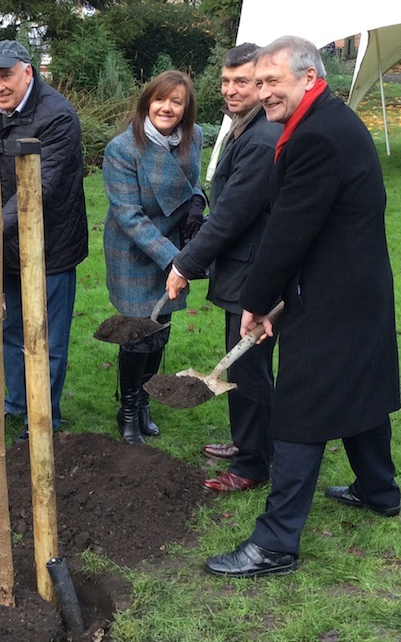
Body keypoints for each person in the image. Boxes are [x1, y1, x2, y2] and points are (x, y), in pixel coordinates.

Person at [205, 36, 400, 579]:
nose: (263, 92)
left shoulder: (316, 137)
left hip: (333, 297)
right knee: (360, 385)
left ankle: (275, 543)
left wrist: (256, 302)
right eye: (258, 81)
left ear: (309, 78)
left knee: (298, 413)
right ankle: (380, 491)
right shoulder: (330, 120)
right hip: (356, 288)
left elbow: (289, 234)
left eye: (274, 82)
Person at [166, 44, 281, 490]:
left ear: (262, 84)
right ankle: (247, 441)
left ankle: (253, 464)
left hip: (254, 269)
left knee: (249, 367)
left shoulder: (262, 138)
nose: (231, 90)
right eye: (226, 82)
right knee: (241, 364)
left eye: (243, 82)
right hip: (242, 265)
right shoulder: (245, 127)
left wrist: (184, 264)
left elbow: (233, 214)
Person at [0, 40, 88, 442]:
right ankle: (16, 405)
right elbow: (3, 167)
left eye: (5, 76)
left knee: (47, 338)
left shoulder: (57, 117)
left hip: (49, 244)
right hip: (9, 242)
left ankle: (44, 417)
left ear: (28, 72)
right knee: (11, 329)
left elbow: (37, 187)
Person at [103, 70, 205, 445]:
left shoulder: (193, 141)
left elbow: (194, 181)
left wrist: (197, 200)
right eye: (161, 99)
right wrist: (175, 259)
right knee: (137, 333)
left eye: (177, 102)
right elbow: (128, 214)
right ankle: (127, 410)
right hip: (133, 250)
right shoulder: (123, 149)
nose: (167, 107)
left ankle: (143, 402)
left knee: (161, 328)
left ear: (185, 109)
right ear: (148, 102)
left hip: (173, 243)